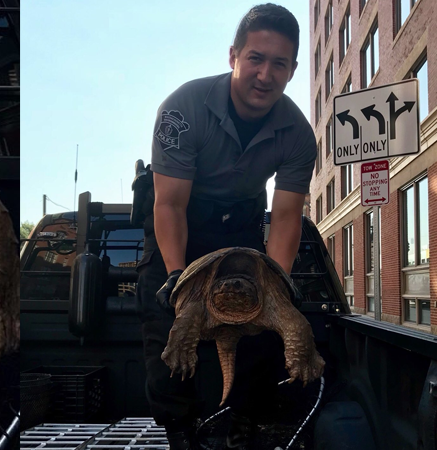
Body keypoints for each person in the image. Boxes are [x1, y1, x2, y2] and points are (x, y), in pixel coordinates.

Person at [136, 4, 316, 450]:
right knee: (167, 322)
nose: (265, 74)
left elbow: (287, 215)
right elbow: (170, 204)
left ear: (292, 70)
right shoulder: (183, 109)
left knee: (267, 326)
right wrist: (178, 277)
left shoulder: (297, 134)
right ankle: (178, 430)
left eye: (280, 64)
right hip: (181, 222)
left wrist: (275, 285)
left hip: (239, 231)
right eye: (256, 58)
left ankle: (243, 423)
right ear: (233, 56)